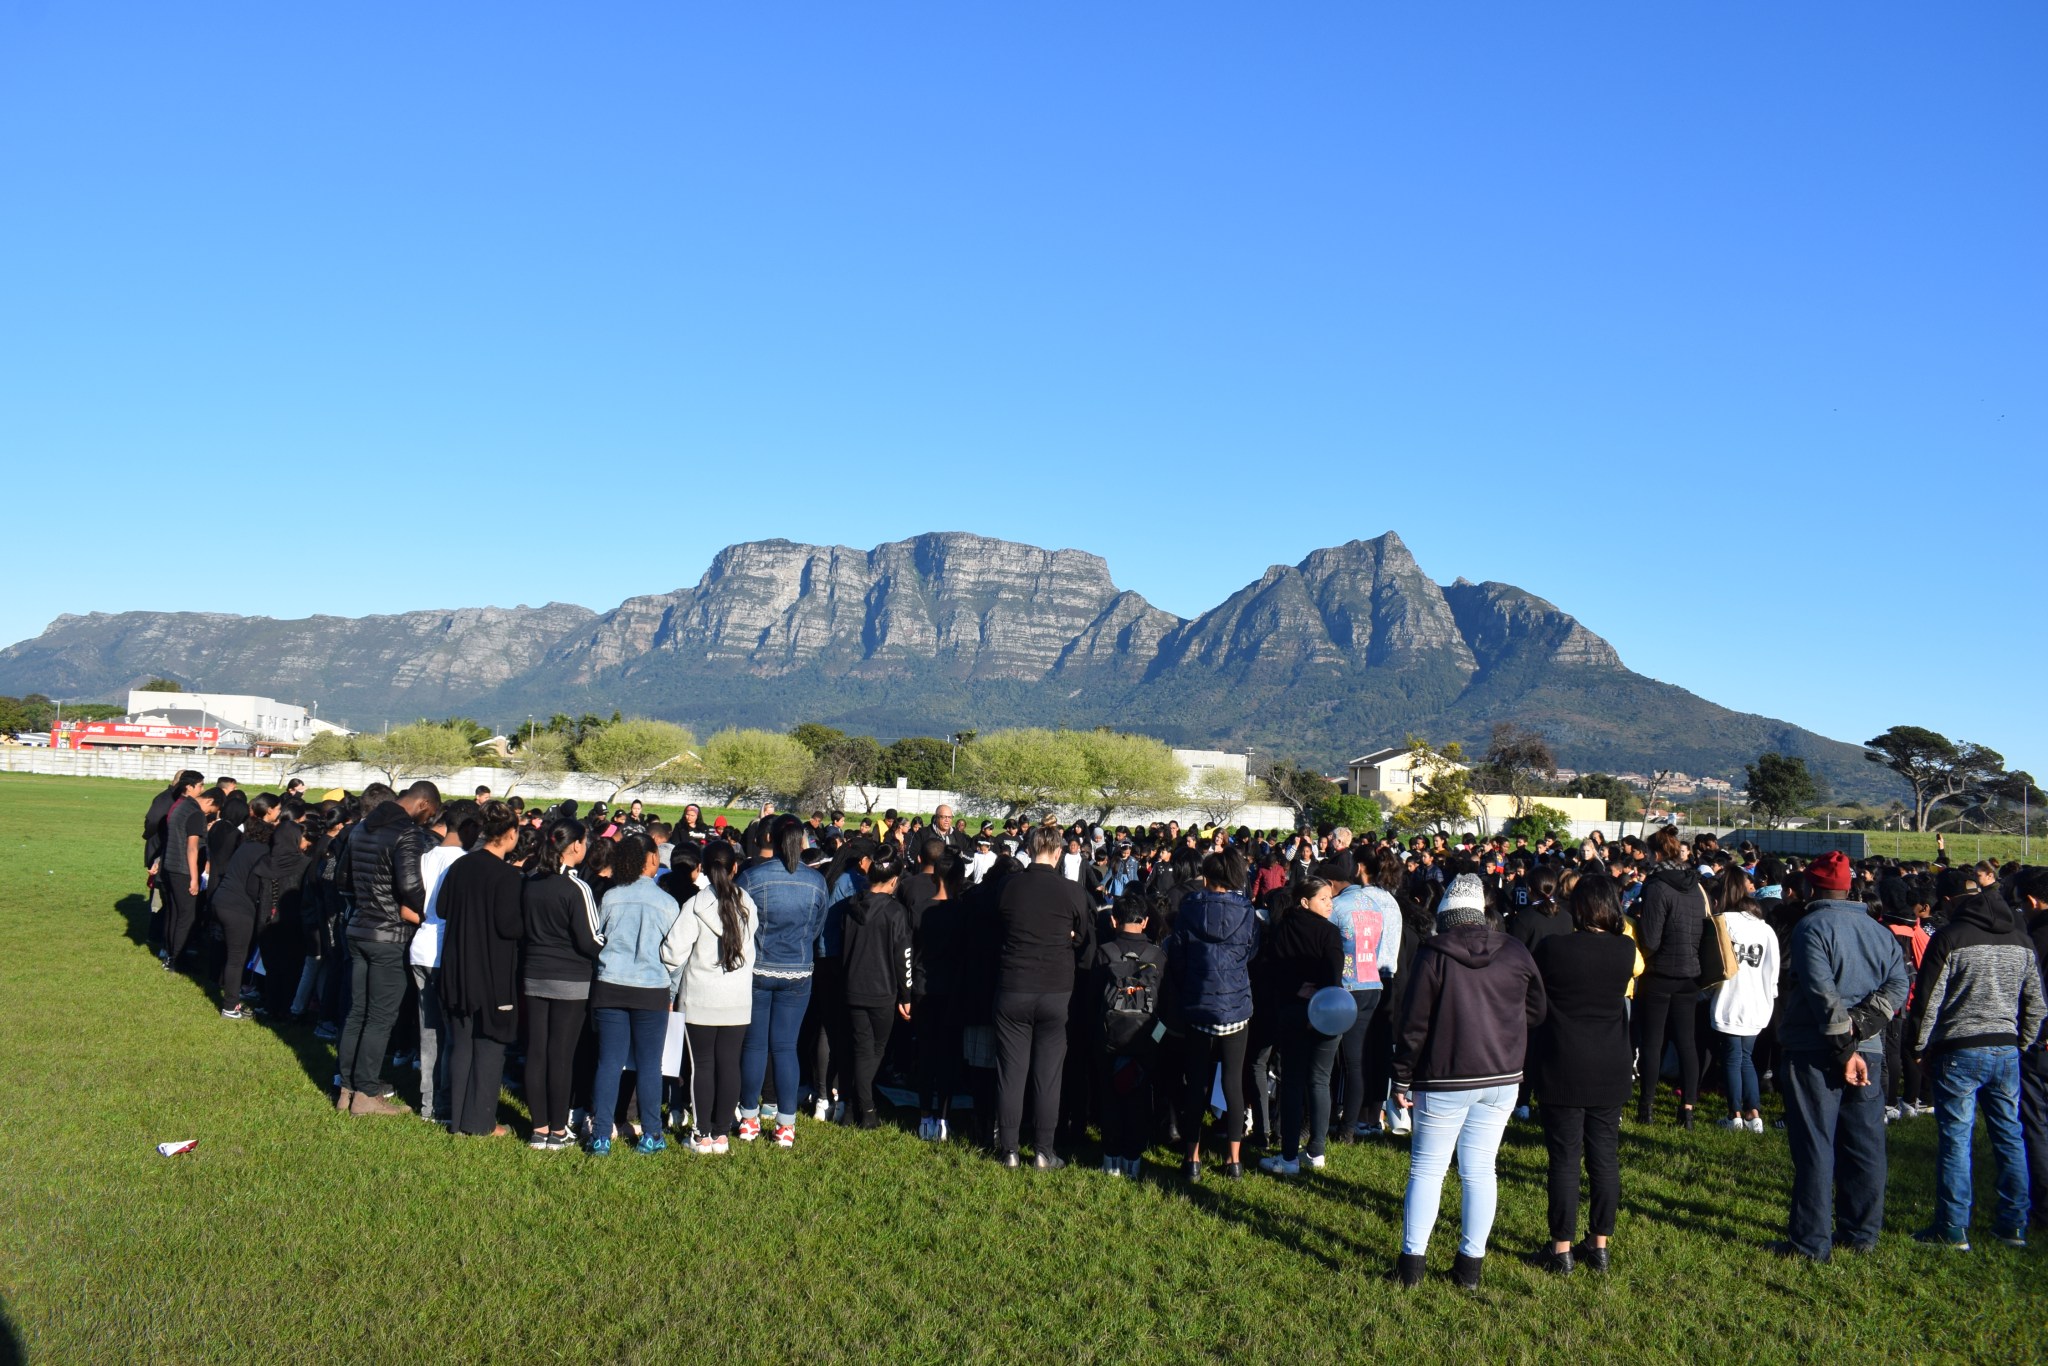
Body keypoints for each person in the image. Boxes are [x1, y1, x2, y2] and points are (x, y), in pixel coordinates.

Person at [1390, 873, 1547, 1290]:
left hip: (1445, 1078)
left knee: (1428, 1170)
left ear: (1445, 917)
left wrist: (1401, 1078)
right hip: (1502, 1076)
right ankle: (1469, 1268)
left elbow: (1413, 1026)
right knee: (1480, 1170)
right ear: (1481, 913)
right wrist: (1503, 1028)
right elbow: (1536, 1010)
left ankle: (1412, 1266)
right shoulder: (1514, 951)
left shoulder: (1433, 954)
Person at [1772, 850, 1911, 1262]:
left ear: (1812, 887)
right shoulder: (1878, 930)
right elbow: (1898, 986)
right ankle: (1862, 1233)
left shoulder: (1811, 926)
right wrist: (1863, 1028)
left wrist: (1845, 1041)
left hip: (1817, 1049)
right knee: (1865, 1145)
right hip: (1869, 1049)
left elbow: (1821, 992)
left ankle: (1811, 1242)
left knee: (1816, 1144)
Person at [1908, 866, 2046, 1249]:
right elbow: (2036, 1003)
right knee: (2009, 1138)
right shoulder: (2022, 940)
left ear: (1956, 905)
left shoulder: (1951, 937)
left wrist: (1918, 1048)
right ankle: (2013, 1225)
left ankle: (1952, 1227)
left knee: (1957, 1139)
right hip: (2005, 1048)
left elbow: (1928, 1001)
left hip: (1958, 1049)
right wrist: (2022, 1043)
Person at [1529, 875, 1637, 1275]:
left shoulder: (1553, 949)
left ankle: (1561, 1248)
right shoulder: (1624, 949)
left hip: (1563, 1062)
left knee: (1564, 1159)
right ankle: (1599, 1243)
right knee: (1604, 1158)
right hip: (1610, 1062)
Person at [992, 826, 1096, 1169]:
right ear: (1058, 853)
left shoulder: (1009, 886)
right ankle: (1043, 1149)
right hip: (1055, 989)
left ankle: (1008, 1148)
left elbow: (998, 926)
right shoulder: (1071, 891)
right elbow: (1082, 937)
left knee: (1012, 1071)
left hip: (1014, 985)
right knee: (1048, 1074)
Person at [335, 781, 440, 1117]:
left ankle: (347, 1088)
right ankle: (366, 1095)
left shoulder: (361, 827)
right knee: (380, 1017)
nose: (428, 821)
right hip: (390, 935)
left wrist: (369, 901)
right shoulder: (406, 832)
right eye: (431, 814)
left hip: (359, 928)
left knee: (358, 1012)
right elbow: (410, 884)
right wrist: (426, 909)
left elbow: (343, 879)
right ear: (423, 804)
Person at [735, 815, 829, 1149]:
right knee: (786, 1046)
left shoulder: (751, 877)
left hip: (758, 969)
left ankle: (749, 1118)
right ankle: (785, 1125)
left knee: (755, 1045)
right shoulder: (816, 882)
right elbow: (818, 928)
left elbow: (738, 923)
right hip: (798, 970)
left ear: (771, 839)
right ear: (803, 842)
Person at [1165, 848, 1259, 1183]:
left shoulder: (1190, 908)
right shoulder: (1247, 912)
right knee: (1233, 1084)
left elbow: (1177, 954)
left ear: (1206, 877)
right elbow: (1251, 953)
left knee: (1197, 1084)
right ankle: (1234, 1161)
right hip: (1234, 1007)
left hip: (1198, 1005)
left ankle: (1193, 1159)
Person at [435, 801, 527, 1138]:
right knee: (490, 1045)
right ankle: (480, 1122)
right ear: (510, 834)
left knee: (461, 1044)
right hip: (491, 971)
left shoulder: (460, 866)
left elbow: (443, 908)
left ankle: (458, 1118)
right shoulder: (506, 875)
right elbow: (509, 925)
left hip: (457, 967)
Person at [588, 836, 682, 1156]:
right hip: (651, 989)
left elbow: (597, 938)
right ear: (652, 859)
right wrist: (672, 991)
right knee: (649, 1065)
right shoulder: (667, 903)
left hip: (610, 984)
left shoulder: (610, 897)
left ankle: (601, 1134)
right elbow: (675, 955)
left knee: (609, 1063)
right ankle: (651, 1134)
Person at [666, 841, 759, 1154]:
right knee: (730, 1064)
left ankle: (701, 1134)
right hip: (736, 998)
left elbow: (672, 953)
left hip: (700, 999)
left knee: (702, 1066)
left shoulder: (694, 905)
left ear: (702, 868)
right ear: (735, 867)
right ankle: (721, 1135)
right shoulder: (747, 903)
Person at [522, 820, 604, 1150]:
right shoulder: (576, 887)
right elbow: (590, 941)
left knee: (536, 1052)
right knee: (561, 1055)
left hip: (533, 973)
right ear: (574, 846)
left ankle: (538, 1128)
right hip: (570, 978)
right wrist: (608, 939)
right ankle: (557, 1130)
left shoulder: (531, 882)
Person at [1257, 876, 1345, 1176]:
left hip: (1295, 1011)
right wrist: (1317, 990)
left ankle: (1290, 1156)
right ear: (1305, 901)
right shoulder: (1329, 933)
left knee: (1294, 1083)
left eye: (1330, 898)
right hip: (1326, 1012)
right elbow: (1334, 977)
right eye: (1323, 899)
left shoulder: (1282, 928)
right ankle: (1315, 1150)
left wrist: (1298, 989)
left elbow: (1274, 972)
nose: (1329, 904)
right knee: (1318, 1081)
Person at [1632, 825, 1705, 1127]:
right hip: (1690, 972)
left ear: (1657, 853)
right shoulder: (1695, 885)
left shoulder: (1657, 886)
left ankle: (1646, 1107)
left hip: (1660, 973)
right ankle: (1687, 1108)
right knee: (1687, 1043)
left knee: (1652, 1042)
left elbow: (1650, 938)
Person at [1092, 893, 1167, 1176]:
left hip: (1109, 1037)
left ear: (1113, 920)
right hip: (1146, 1038)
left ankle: (1110, 1158)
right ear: (1146, 921)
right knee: (1138, 1096)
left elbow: (1092, 1000)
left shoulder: (1104, 952)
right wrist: (1156, 1040)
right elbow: (1166, 1006)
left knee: (1110, 1095)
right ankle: (1133, 1159)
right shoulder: (1158, 956)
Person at [838, 852, 912, 1130]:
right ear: (893, 881)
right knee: (876, 1049)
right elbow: (903, 956)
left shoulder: (849, 906)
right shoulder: (895, 912)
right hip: (882, 989)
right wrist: (906, 995)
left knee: (860, 1048)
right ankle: (866, 1109)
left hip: (852, 985)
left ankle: (853, 1107)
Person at [409, 807, 466, 1126]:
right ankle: (442, 1103)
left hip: (421, 947)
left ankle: (428, 1104)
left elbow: (412, 903)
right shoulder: (463, 861)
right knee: (452, 1034)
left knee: (429, 1031)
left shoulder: (426, 856)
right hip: (446, 952)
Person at [1711, 868, 1780, 1134]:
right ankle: (1754, 1113)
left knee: (1731, 1057)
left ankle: (1735, 1114)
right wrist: (1769, 994)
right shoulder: (1764, 929)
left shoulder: (1721, 922)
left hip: (1728, 997)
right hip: (1756, 1000)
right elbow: (1772, 970)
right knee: (1746, 1057)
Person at [207, 798, 276, 1019]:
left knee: (229, 953)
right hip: (238, 908)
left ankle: (228, 993)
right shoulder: (263, 853)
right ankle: (230, 1006)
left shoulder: (245, 846)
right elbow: (253, 886)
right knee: (237, 957)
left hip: (221, 899)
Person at [158, 773, 211, 973]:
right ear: (189, 787)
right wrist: (194, 878)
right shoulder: (193, 812)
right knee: (186, 917)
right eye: (200, 785)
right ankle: (176, 960)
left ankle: (169, 953)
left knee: (174, 912)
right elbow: (191, 848)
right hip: (182, 869)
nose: (202, 789)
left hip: (170, 866)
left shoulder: (179, 806)